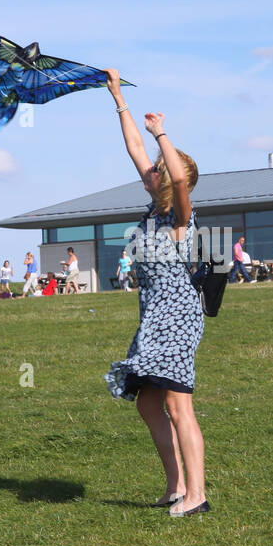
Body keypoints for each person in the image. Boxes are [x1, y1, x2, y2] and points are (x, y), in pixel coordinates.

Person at [102, 68, 209, 517]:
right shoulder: (150, 212)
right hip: (153, 317)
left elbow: (181, 180)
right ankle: (175, 485)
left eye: (158, 169)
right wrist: (118, 96)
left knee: (177, 403)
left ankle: (197, 495)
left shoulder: (182, 216)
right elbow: (133, 147)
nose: (150, 169)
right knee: (148, 403)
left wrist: (162, 131)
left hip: (179, 316)